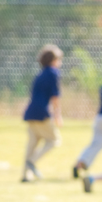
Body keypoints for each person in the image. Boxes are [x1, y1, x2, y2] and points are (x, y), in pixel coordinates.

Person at [22, 44, 63, 183]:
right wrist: (58, 115)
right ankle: (32, 162)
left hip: (31, 112)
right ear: (53, 60)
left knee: (32, 143)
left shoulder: (40, 74)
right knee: (54, 140)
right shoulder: (53, 73)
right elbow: (55, 97)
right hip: (42, 112)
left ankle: (25, 175)